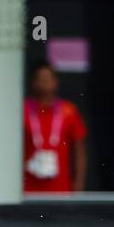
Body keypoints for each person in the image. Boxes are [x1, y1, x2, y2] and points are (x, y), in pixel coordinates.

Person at [23, 62, 88, 194]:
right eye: (39, 79)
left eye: (47, 79)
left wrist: (78, 183)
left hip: (61, 188)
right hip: (28, 187)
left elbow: (79, 151)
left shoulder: (68, 111)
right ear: (33, 82)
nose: (43, 84)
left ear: (55, 82)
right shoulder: (22, 109)